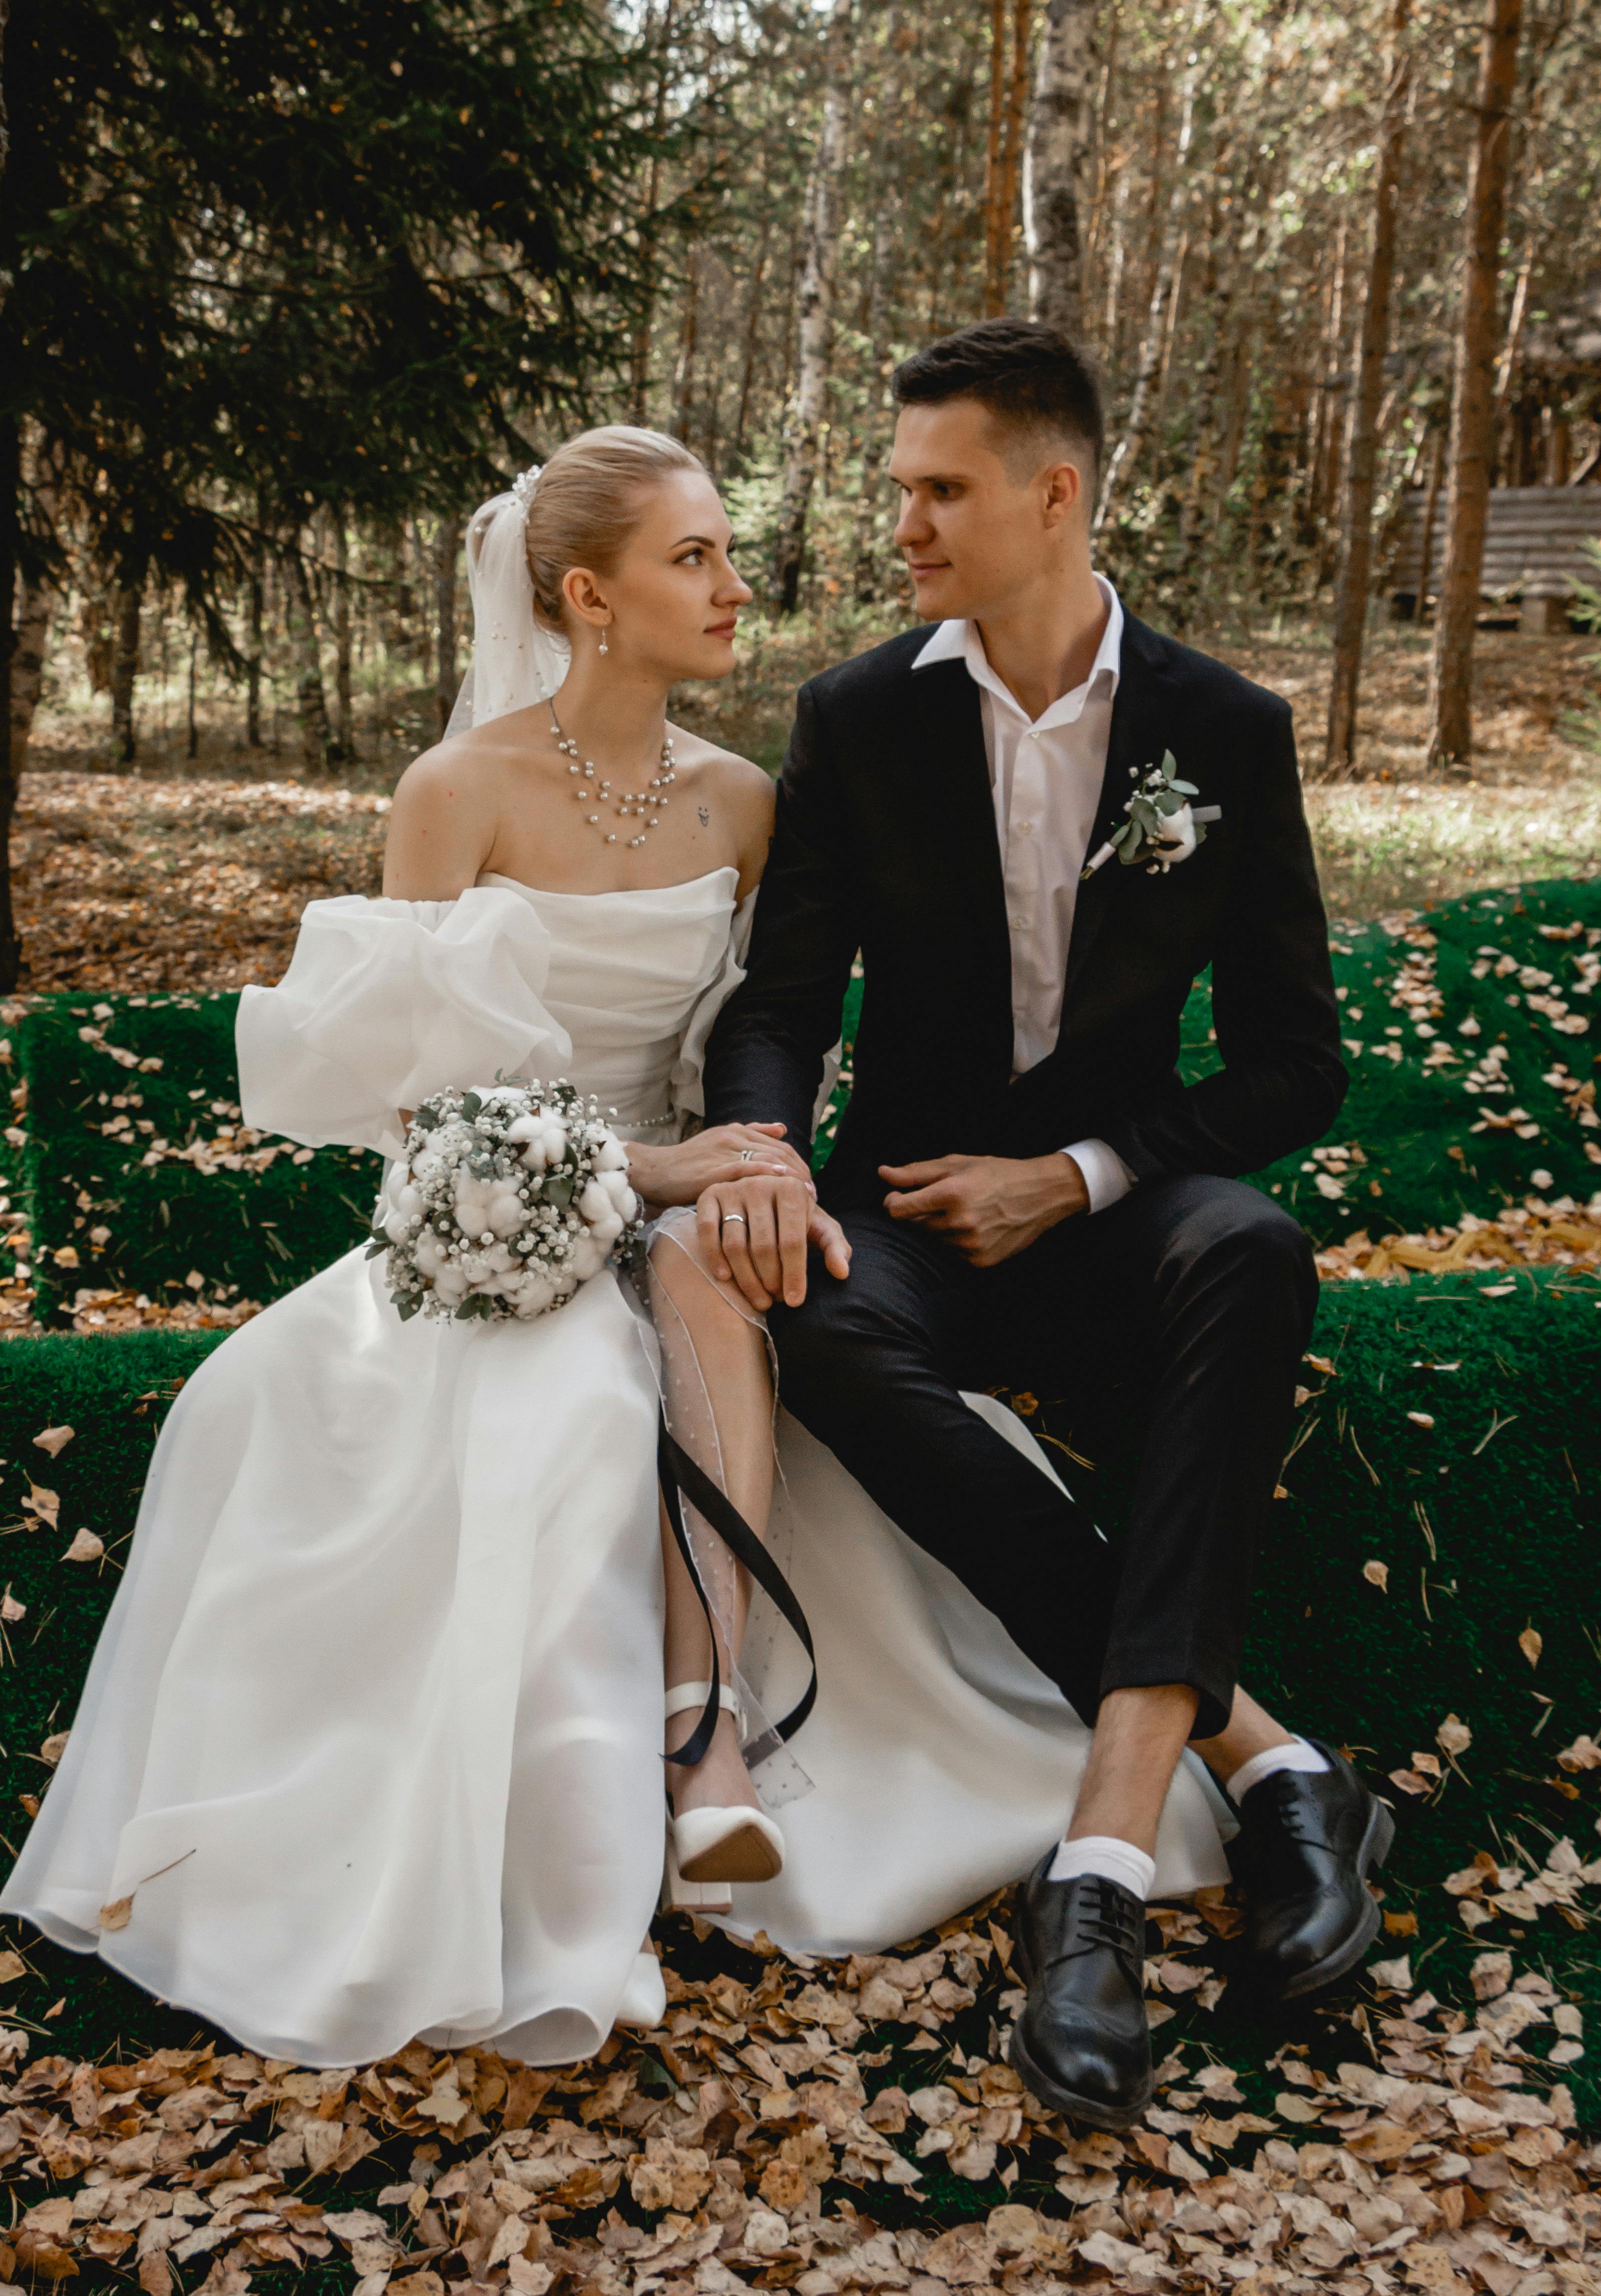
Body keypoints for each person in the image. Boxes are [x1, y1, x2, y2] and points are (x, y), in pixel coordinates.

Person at [2, 421, 1233, 2070]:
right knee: (563, 1409)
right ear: (589, 596)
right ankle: (634, 1796)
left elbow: (770, 1038)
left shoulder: (746, 799)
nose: (733, 586)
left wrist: (756, 1166)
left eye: (726, 553)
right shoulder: (456, 793)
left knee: (735, 1305)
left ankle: (715, 1750)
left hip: (709, 1215)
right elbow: (429, 1113)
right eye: (693, 558)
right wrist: (645, 1169)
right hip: (512, 1212)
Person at [701, 319, 1394, 2129]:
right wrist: (762, 1152)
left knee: (1253, 1248)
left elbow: (1297, 1065)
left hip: (1114, 1208)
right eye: (904, 489)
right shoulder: (858, 716)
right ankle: (1275, 1765)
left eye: (941, 491)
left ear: (1054, 493)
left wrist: (1081, 1174)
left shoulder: (1222, 730)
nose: (906, 525)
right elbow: (782, 998)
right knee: (816, 1320)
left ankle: (1096, 1864)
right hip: (907, 1202)